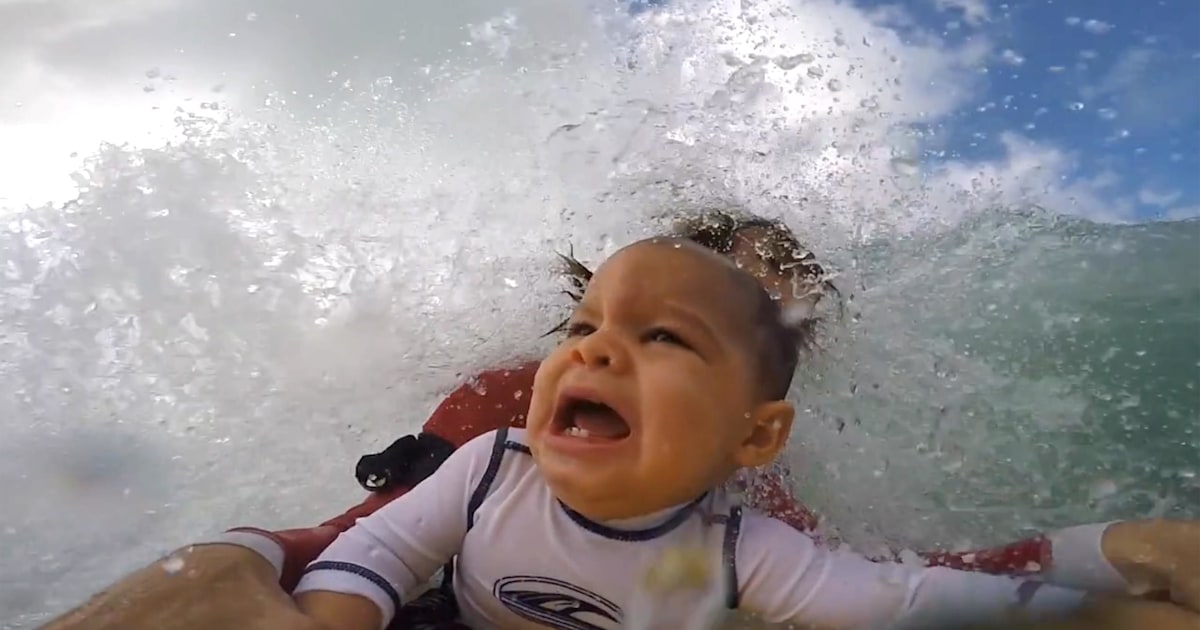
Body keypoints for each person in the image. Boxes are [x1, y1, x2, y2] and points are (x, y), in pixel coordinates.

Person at [39, 211, 1199, 630]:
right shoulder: (519, 409)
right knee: (192, 577)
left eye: (779, 310)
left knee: (1157, 553)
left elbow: (859, 592)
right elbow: (376, 534)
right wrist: (226, 564)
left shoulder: (746, 485)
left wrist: (1094, 563)